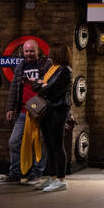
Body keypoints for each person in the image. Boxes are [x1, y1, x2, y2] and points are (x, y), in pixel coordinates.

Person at [3, 39, 50, 184]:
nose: (29, 54)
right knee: (14, 142)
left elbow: (51, 87)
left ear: (38, 51)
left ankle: (36, 173)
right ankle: (15, 173)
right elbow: (14, 89)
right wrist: (10, 108)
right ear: (23, 52)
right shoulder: (20, 66)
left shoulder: (46, 65)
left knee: (40, 142)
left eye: (32, 51)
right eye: (26, 51)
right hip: (23, 111)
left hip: (41, 111)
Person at [33, 44, 73, 193]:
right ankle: (52, 176)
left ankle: (61, 180)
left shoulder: (65, 71)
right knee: (49, 144)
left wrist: (42, 85)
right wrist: (41, 85)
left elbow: (47, 88)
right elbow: (38, 86)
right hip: (48, 110)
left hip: (58, 109)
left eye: (51, 53)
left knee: (57, 144)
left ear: (58, 54)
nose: (48, 55)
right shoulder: (52, 69)